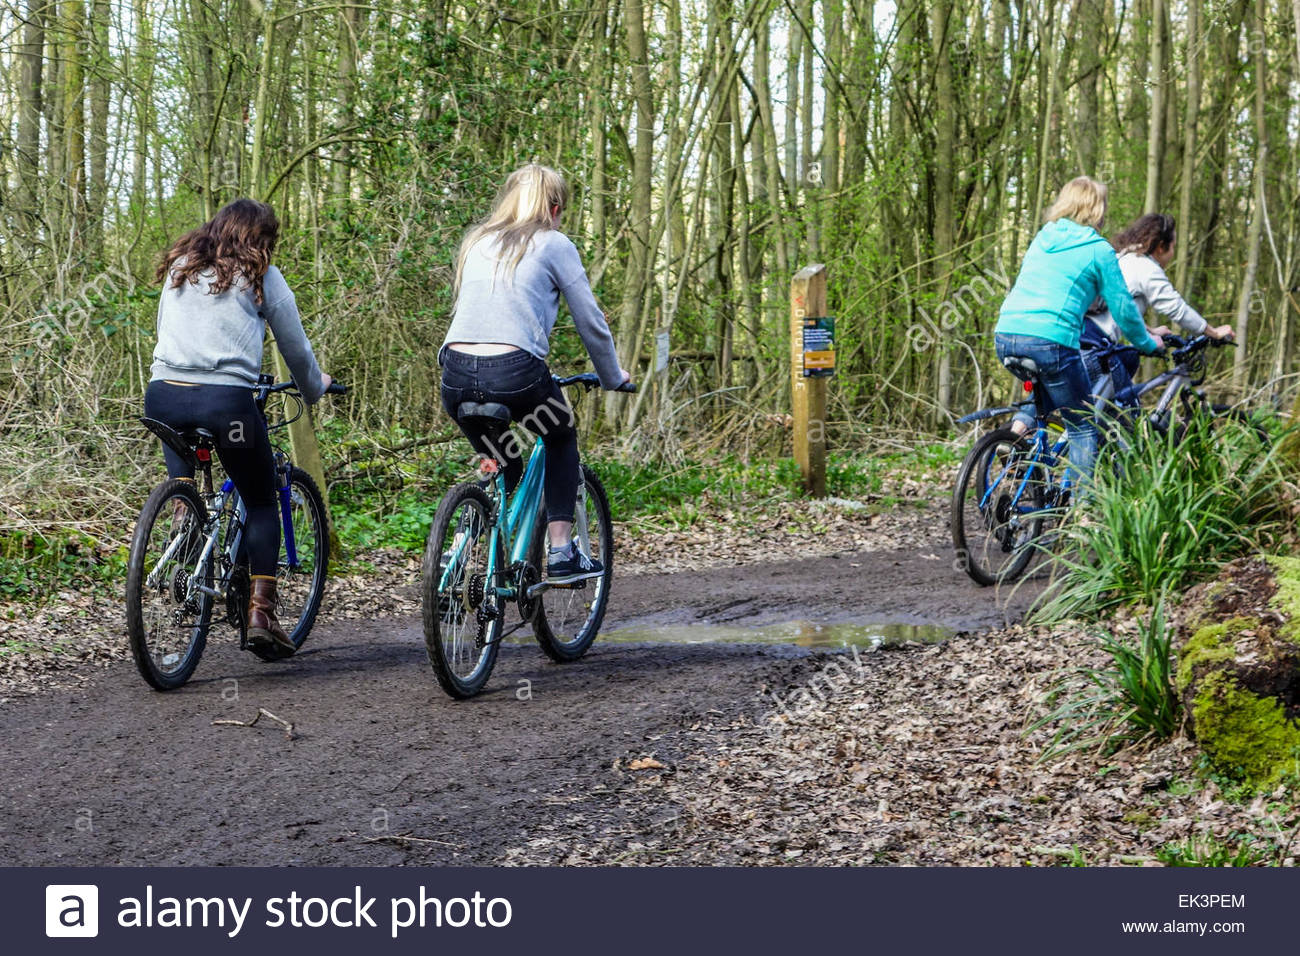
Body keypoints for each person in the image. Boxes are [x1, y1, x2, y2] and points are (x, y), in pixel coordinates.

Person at [145, 198, 333, 652]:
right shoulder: (260, 276)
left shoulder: (181, 267)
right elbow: (295, 346)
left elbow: (166, 331)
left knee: (184, 474)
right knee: (262, 498)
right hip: (225, 405)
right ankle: (260, 615)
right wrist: (315, 387)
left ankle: (184, 522)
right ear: (261, 238)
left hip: (163, 396)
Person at [439, 163, 630, 584]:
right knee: (560, 435)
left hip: (453, 374)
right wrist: (613, 375)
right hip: (515, 374)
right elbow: (591, 321)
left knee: (503, 458)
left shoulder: (477, 241)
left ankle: (459, 548)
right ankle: (562, 551)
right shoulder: (552, 243)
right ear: (555, 208)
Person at [994, 177, 1163, 482]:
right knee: (1084, 425)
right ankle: (1081, 513)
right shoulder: (1099, 250)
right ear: (1096, 209)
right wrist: (1149, 344)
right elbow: (1124, 311)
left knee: (1044, 403)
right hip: (1051, 342)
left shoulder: (1044, 237)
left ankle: (1019, 443)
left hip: (1006, 335)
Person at [1080, 212, 1233, 401]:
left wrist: (1151, 330)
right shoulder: (1145, 267)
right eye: (1173, 246)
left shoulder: (1122, 258)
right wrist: (1214, 332)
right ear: (1161, 246)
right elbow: (1176, 308)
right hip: (1094, 347)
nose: (1173, 253)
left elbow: (1119, 309)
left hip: (1077, 340)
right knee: (1126, 418)